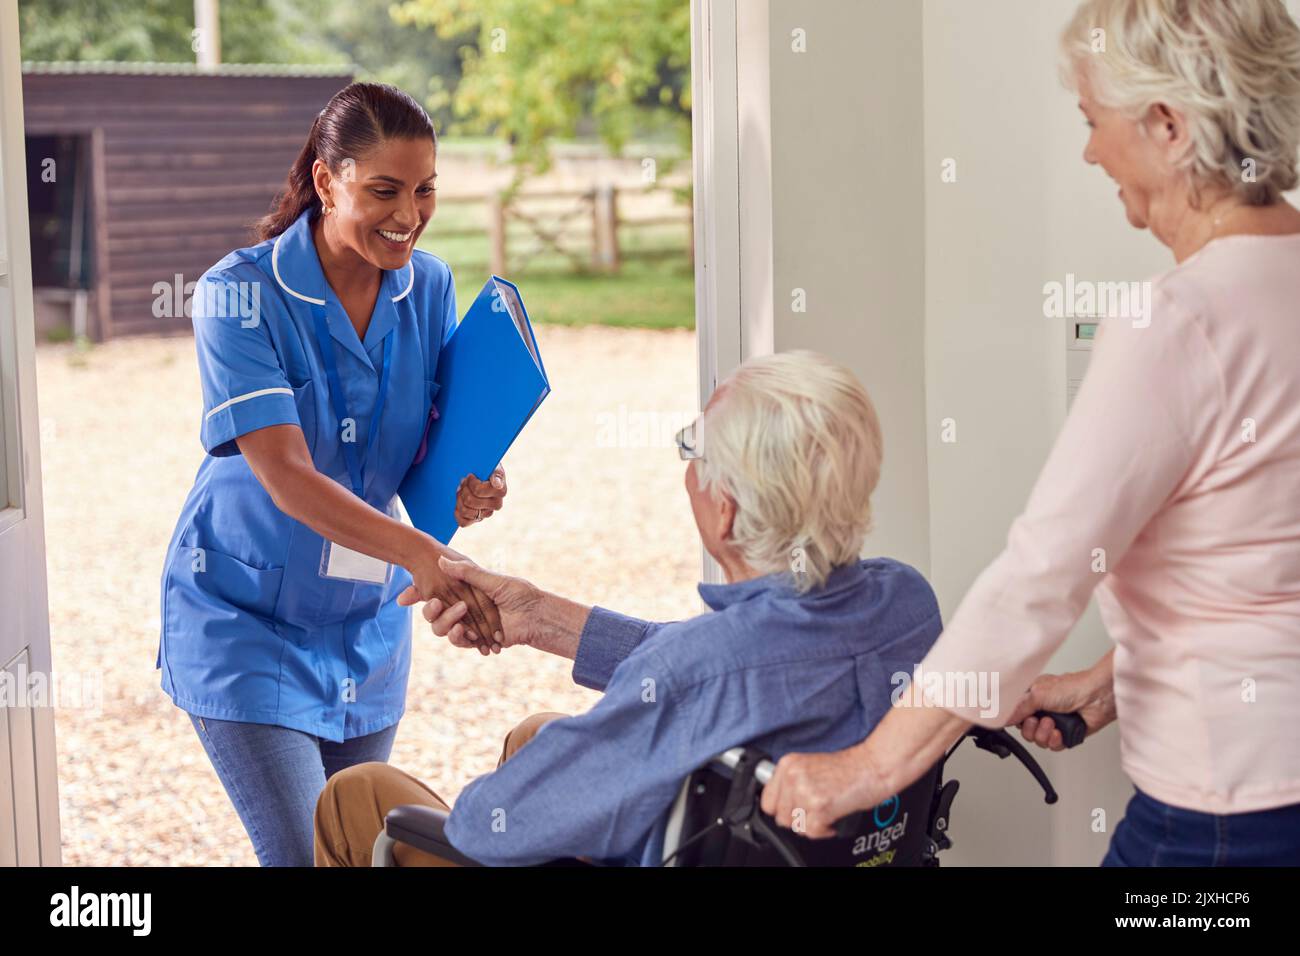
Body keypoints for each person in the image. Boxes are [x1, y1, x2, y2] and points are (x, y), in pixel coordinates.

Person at [762, 0, 1300, 866]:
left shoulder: (1177, 323)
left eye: (1094, 122)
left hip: (1223, 826)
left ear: (1167, 125)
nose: (1089, 151)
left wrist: (869, 767)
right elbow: (1258, 564)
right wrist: (1104, 684)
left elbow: (1040, 576)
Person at [313, 351, 943, 866]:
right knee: (534, 735)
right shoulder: (907, 604)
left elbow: (487, 826)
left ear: (723, 510)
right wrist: (540, 616)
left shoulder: (696, 673)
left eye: (692, 448)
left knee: (356, 794)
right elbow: (743, 666)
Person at [156, 82, 509, 867]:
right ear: (326, 181)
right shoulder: (238, 294)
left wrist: (474, 483)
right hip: (243, 619)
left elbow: (430, 451)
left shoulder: (432, 287)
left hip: (364, 626)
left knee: (365, 847)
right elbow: (286, 474)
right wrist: (424, 556)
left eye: (425, 191)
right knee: (302, 853)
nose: (408, 215)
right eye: (383, 190)